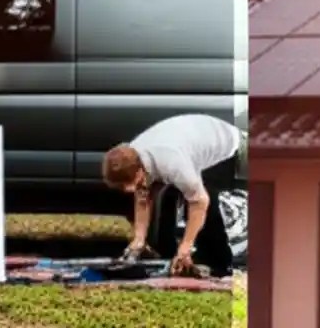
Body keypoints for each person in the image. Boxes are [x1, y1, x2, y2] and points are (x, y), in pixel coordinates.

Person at [102, 113, 244, 277]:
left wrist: (186, 247)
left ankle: (218, 264)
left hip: (223, 146)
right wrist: (138, 240)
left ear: (140, 169)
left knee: (199, 201)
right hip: (183, 146)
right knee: (166, 199)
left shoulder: (171, 162)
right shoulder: (134, 157)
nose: (130, 190)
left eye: (132, 183)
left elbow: (200, 202)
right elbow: (143, 198)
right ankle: (168, 256)